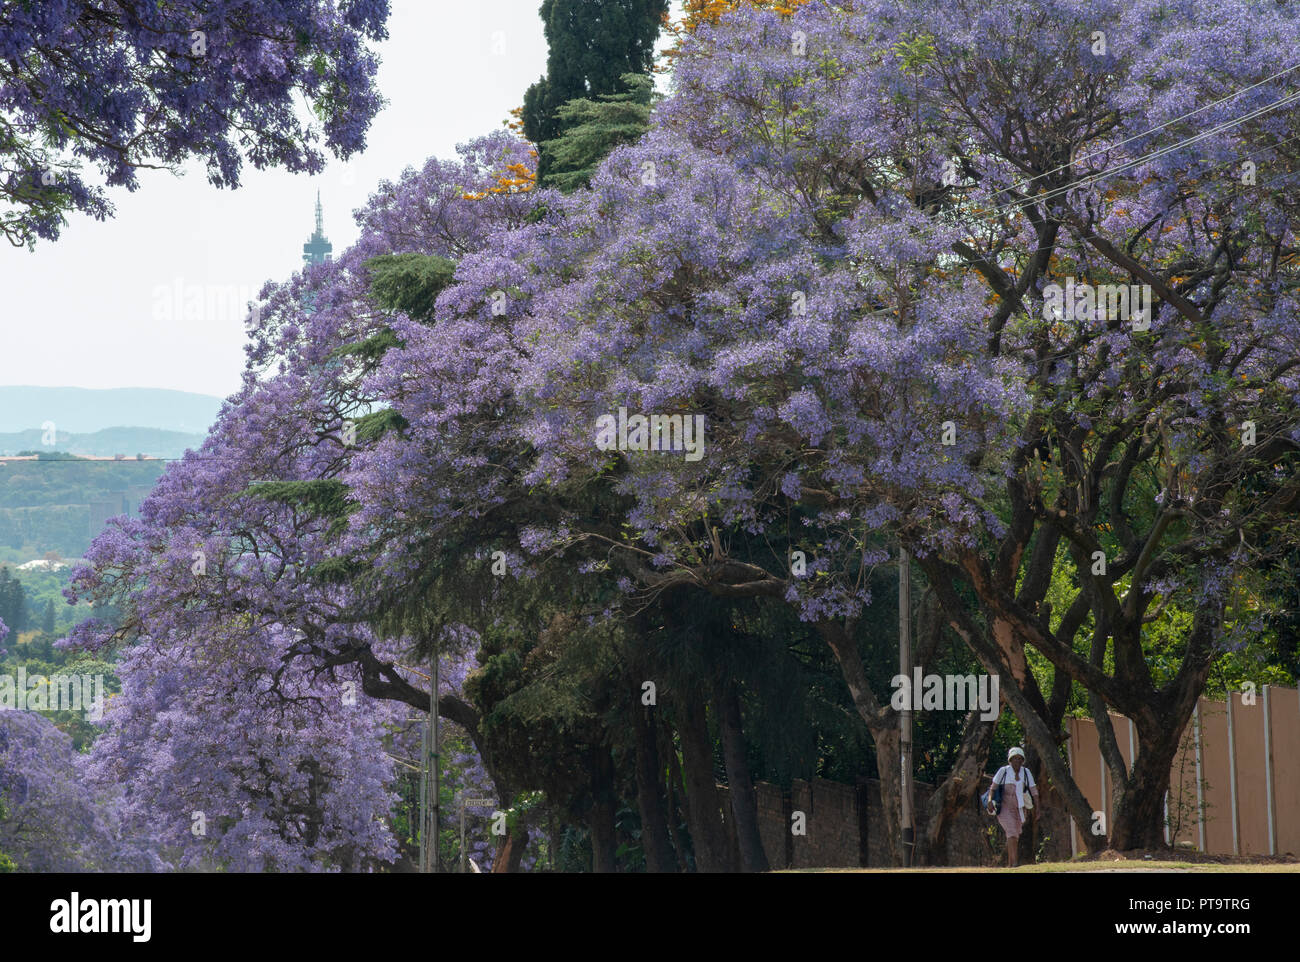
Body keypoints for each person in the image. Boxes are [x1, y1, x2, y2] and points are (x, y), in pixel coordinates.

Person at [986, 747, 1039, 867]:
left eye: (1020, 759)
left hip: (1019, 808)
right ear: (1010, 760)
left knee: (1015, 835)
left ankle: (1010, 863)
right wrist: (990, 801)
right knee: (1011, 832)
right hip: (1004, 807)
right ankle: (1015, 862)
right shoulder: (1003, 771)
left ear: (1022, 760)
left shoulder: (1026, 772)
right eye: (1014, 758)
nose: (1017, 761)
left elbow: (1034, 791)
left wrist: (1038, 808)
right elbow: (993, 788)